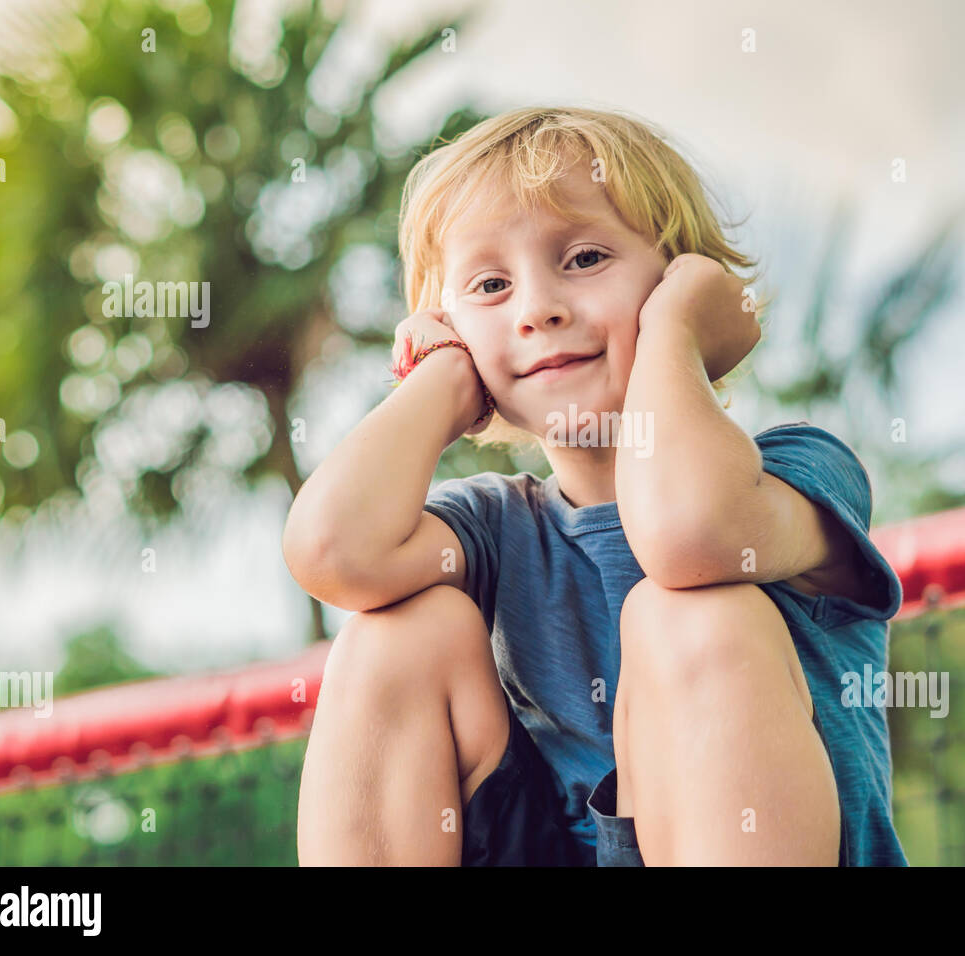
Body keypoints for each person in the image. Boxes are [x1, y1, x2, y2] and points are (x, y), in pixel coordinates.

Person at [283, 105, 906, 866]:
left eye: (583, 259)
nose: (539, 308)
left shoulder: (799, 473)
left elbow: (690, 535)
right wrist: (442, 380)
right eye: (489, 285)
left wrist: (676, 330)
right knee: (391, 635)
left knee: (684, 614)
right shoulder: (492, 527)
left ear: (681, 276)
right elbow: (331, 549)